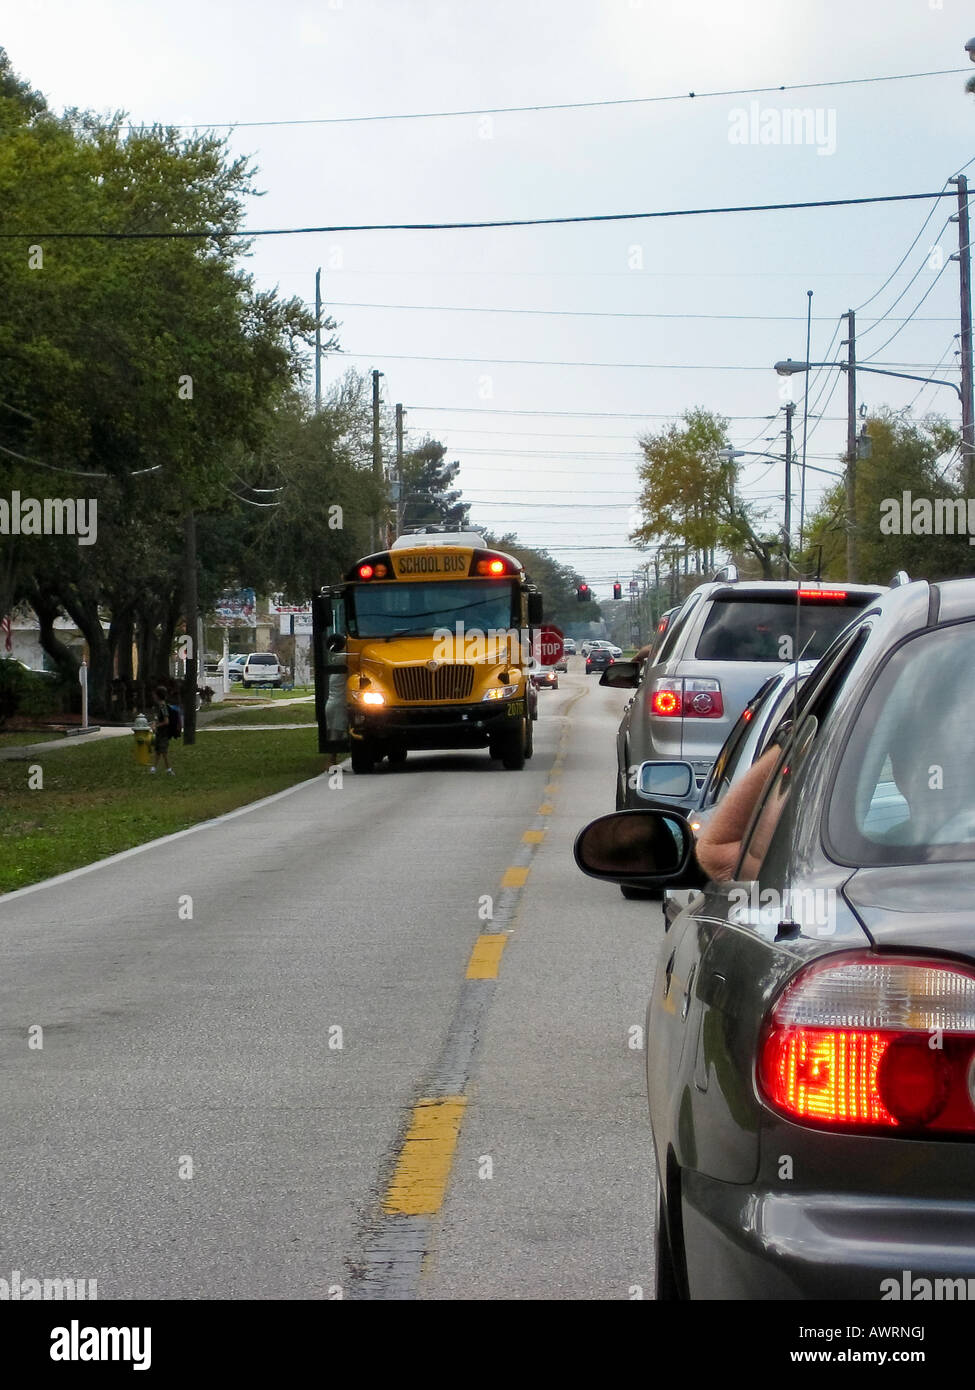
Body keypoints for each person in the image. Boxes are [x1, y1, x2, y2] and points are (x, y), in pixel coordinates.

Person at [150, 684, 176, 775]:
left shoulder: (163, 707)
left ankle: (169, 769)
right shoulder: (159, 706)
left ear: (158, 696)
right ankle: (153, 768)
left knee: (163, 752)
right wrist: (154, 723)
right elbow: (158, 718)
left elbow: (166, 721)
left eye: (154, 695)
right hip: (159, 733)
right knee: (158, 750)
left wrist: (156, 726)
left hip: (164, 733)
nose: (153, 696)